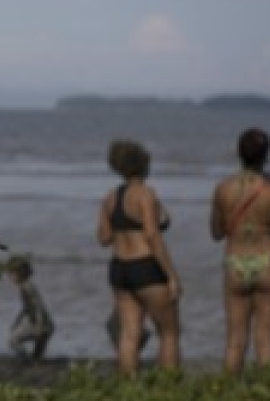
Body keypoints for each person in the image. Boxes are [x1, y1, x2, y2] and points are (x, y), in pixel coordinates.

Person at [210, 128, 270, 373]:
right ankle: (266, 389)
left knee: (235, 340)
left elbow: (216, 232)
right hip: (268, 262)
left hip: (235, 263)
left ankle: (228, 390)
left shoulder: (222, 188)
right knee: (266, 338)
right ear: (266, 155)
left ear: (238, 153)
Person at [97, 139, 180, 374]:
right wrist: (171, 276)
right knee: (169, 333)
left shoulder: (110, 197)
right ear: (144, 164)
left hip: (119, 268)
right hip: (145, 267)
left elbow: (104, 238)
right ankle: (169, 388)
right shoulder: (145, 194)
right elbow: (153, 236)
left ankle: (128, 388)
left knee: (129, 334)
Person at [6, 255, 53, 361]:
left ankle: (26, 359)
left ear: (20, 274)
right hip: (46, 325)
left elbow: (38, 307)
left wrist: (39, 326)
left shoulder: (27, 287)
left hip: (42, 326)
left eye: (11, 274)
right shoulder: (25, 286)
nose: (9, 277)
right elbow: (27, 308)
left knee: (13, 341)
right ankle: (33, 360)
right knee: (36, 357)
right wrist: (17, 321)